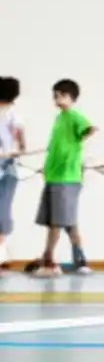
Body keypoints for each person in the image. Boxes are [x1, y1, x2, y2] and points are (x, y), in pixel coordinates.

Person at [34, 79, 97, 278]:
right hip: (54, 176)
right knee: (68, 222)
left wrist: (76, 152)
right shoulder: (59, 119)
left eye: (61, 94)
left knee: (57, 221)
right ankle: (81, 261)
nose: (57, 98)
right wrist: (46, 166)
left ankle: (48, 260)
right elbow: (55, 146)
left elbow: (90, 128)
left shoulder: (74, 116)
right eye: (55, 95)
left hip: (68, 177)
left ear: (71, 97)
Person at [0, 77, 25, 262]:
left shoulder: (14, 117)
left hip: (7, 169)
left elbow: (21, 145)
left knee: (3, 210)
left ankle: (0, 254)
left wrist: (12, 153)